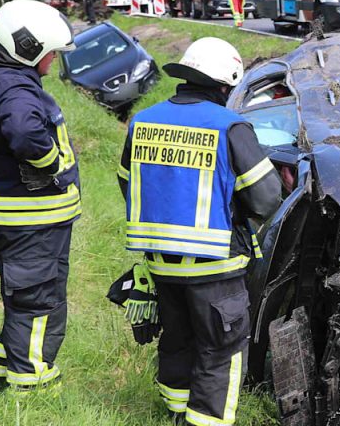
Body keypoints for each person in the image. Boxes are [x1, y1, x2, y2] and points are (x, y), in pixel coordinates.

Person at [117, 37, 282, 425]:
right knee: (220, 350)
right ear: (225, 86)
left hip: (160, 262)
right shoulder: (230, 126)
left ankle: (177, 412)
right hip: (214, 266)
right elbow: (266, 198)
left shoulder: (143, 121)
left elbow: (128, 182)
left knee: (177, 337)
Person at [0, 0, 80, 394]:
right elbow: (25, 135)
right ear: (27, 47)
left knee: (21, 299)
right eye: (50, 53)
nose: (53, 62)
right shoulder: (14, 87)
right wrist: (53, 164)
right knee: (40, 303)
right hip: (28, 220)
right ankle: (33, 385)